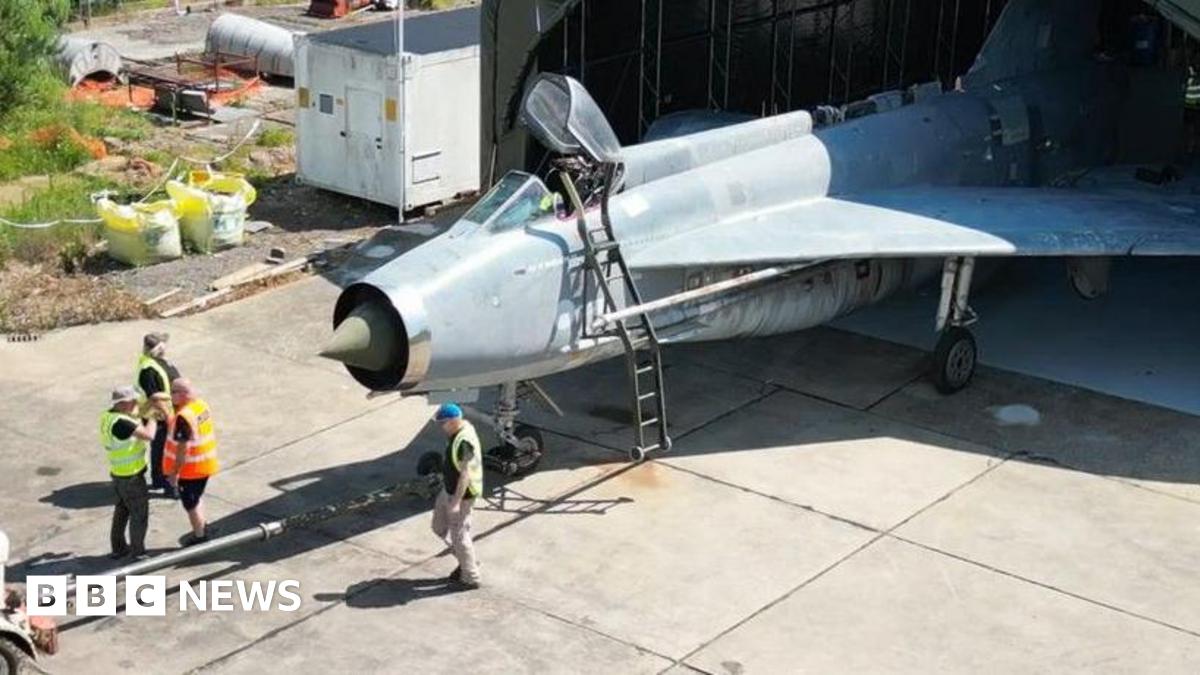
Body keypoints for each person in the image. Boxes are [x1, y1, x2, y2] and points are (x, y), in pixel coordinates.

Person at [430, 403, 484, 589]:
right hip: (448, 489)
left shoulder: (463, 442)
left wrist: (456, 503)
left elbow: (465, 474)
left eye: (442, 423)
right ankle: (467, 561)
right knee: (438, 527)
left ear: (452, 422)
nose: (440, 427)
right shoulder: (459, 430)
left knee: (460, 536)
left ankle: (471, 576)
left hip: (462, 496)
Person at [101, 386, 157, 560]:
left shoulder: (108, 416)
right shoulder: (122, 424)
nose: (134, 403)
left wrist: (140, 409)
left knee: (122, 511)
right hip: (131, 477)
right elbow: (148, 435)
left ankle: (118, 548)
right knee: (139, 514)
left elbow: (134, 417)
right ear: (123, 404)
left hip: (118, 474)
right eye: (131, 401)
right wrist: (153, 417)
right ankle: (138, 553)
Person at [163, 378, 219, 546]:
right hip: (206, 464)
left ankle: (200, 536)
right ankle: (203, 526)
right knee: (197, 497)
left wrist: (174, 474)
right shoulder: (200, 405)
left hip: (190, 470)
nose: (170, 395)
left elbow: (182, 450)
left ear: (182, 394)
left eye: (173, 392)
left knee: (190, 503)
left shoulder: (184, 417)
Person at [135, 332, 180, 497]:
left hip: (163, 413)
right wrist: (169, 416)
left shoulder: (157, 362)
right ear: (158, 348)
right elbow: (154, 396)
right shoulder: (148, 369)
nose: (166, 346)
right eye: (163, 344)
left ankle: (158, 478)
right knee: (166, 449)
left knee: (160, 448)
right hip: (158, 415)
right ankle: (168, 485)